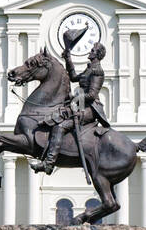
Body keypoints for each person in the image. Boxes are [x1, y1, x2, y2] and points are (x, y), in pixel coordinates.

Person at [32, 29, 108, 175]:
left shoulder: (97, 71)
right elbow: (73, 77)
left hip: (90, 109)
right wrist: (68, 58)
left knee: (61, 126)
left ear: (97, 54)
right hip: (80, 105)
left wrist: (75, 98)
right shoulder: (89, 69)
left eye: (92, 50)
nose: (89, 52)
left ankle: (49, 163)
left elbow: (92, 95)